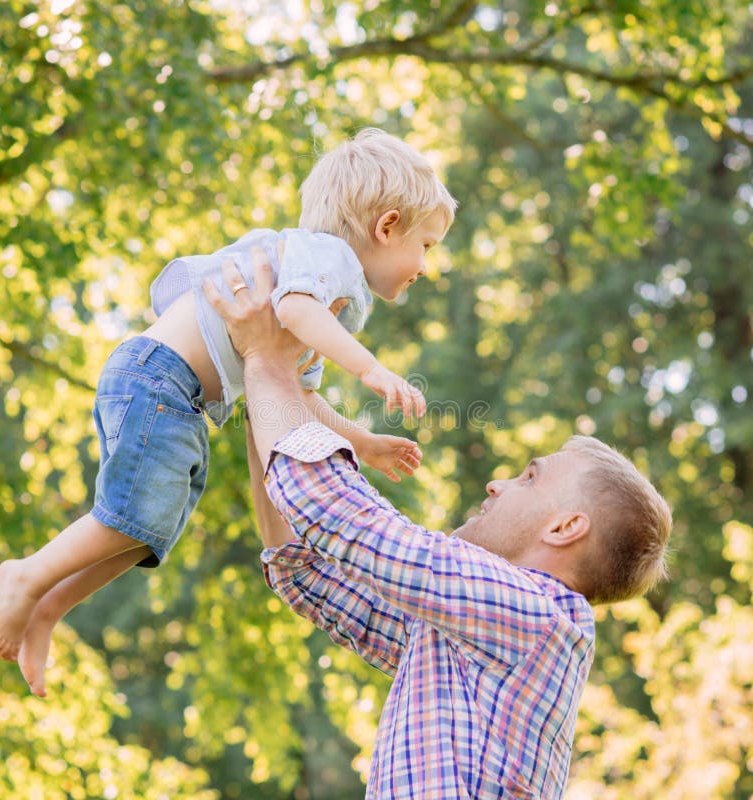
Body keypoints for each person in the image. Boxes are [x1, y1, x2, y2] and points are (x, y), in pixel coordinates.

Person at [0, 128, 457, 697]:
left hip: (171, 395)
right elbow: (296, 308)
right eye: (426, 245)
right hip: (158, 377)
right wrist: (373, 372)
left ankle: (48, 605)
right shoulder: (322, 260)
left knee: (146, 530)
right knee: (133, 512)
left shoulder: (323, 292)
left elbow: (298, 396)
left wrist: (364, 442)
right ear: (387, 227)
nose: (427, 266)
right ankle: (26, 575)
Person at [205, 258, 673, 800]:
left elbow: (335, 513)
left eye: (529, 476)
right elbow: (305, 569)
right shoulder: (469, 635)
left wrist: (267, 363)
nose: (499, 484)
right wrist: (261, 386)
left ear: (567, 526)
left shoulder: (539, 617)